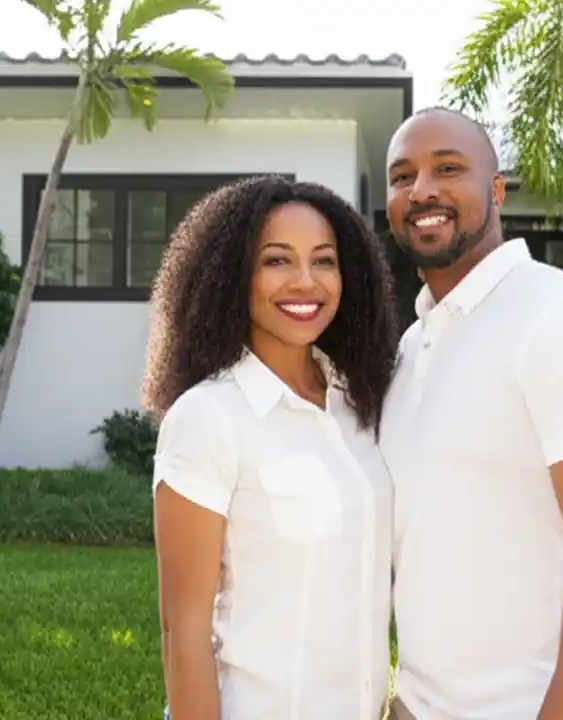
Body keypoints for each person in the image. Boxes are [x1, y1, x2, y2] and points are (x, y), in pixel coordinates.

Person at [379, 107, 563, 720]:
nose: (422, 189)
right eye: (402, 177)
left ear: (497, 190)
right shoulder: (413, 345)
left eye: (447, 168)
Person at [141, 175, 399, 720]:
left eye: (324, 261)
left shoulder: (360, 407)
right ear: (234, 277)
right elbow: (181, 627)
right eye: (277, 261)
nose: (305, 282)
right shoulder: (208, 417)